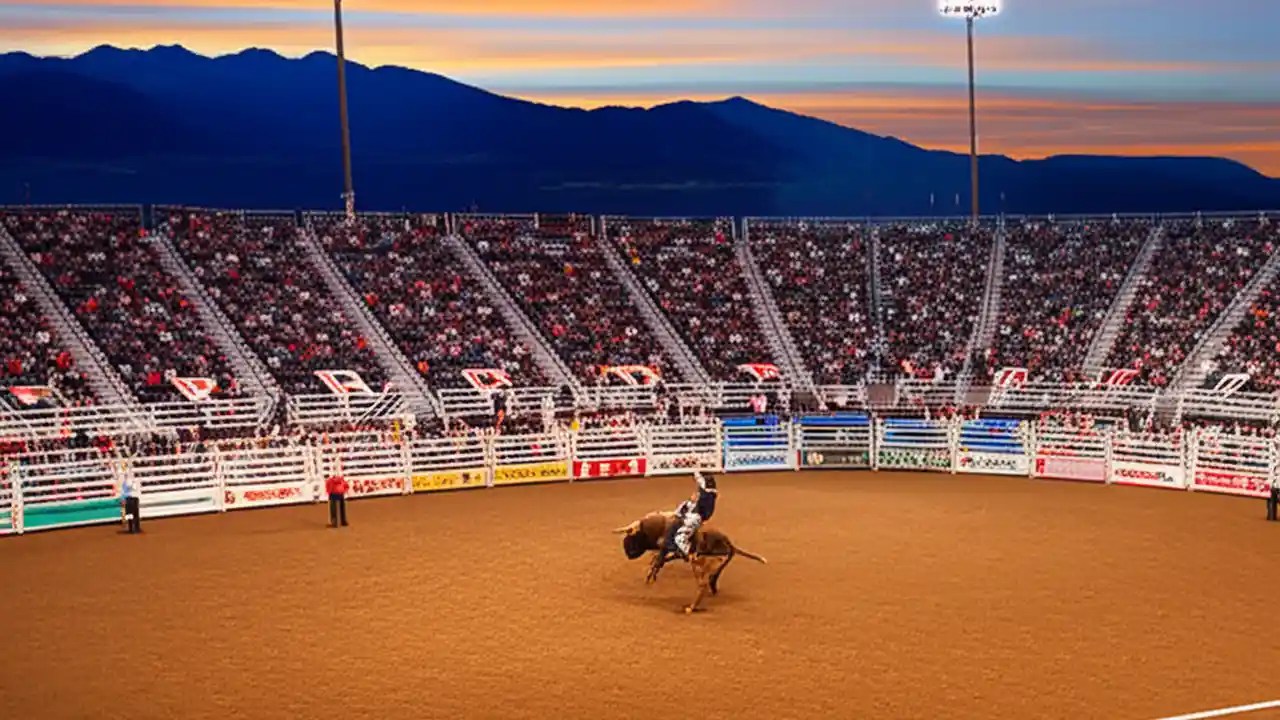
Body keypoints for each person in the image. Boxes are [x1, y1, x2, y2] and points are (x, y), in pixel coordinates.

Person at [654, 472, 718, 572]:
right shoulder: (710, 496)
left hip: (693, 518)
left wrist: (695, 471)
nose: (696, 494)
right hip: (693, 518)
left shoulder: (705, 495)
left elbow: (700, 480)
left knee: (680, 538)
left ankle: (690, 556)